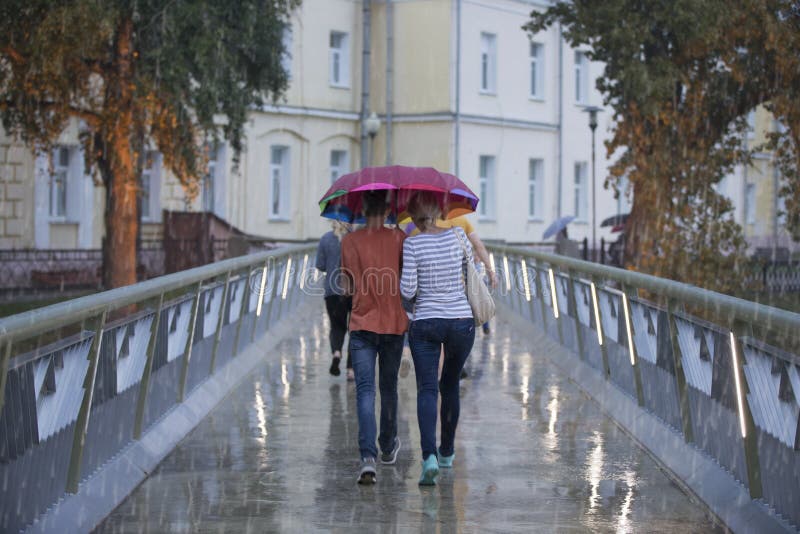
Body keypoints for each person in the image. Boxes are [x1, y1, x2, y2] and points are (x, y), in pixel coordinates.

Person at [400, 192, 476, 486]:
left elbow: (408, 289)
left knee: (427, 389)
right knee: (451, 385)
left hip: (426, 323)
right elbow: (474, 272)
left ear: (412, 215)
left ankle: (428, 456)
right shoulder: (458, 235)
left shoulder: (412, 243)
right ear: (438, 210)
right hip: (460, 322)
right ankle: (447, 453)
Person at [340, 190, 408, 484]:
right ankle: (388, 445)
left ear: (363, 208)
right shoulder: (400, 239)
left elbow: (345, 289)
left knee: (365, 391)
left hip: (362, 324)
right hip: (394, 324)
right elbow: (408, 282)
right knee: (389, 388)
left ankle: (368, 458)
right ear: (389, 208)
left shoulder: (349, 241)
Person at [409, 215, 497, 335]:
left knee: (435, 337)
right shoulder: (461, 222)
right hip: (457, 293)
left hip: (428, 300)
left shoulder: (418, 228)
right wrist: (491, 272)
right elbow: (479, 246)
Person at [315, 220, 353, 379]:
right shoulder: (354, 239)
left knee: (336, 327)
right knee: (355, 330)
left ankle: (336, 353)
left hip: (331, 291)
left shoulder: (325, 239)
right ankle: (351, 369)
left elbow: (320, 265)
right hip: (352, 290)